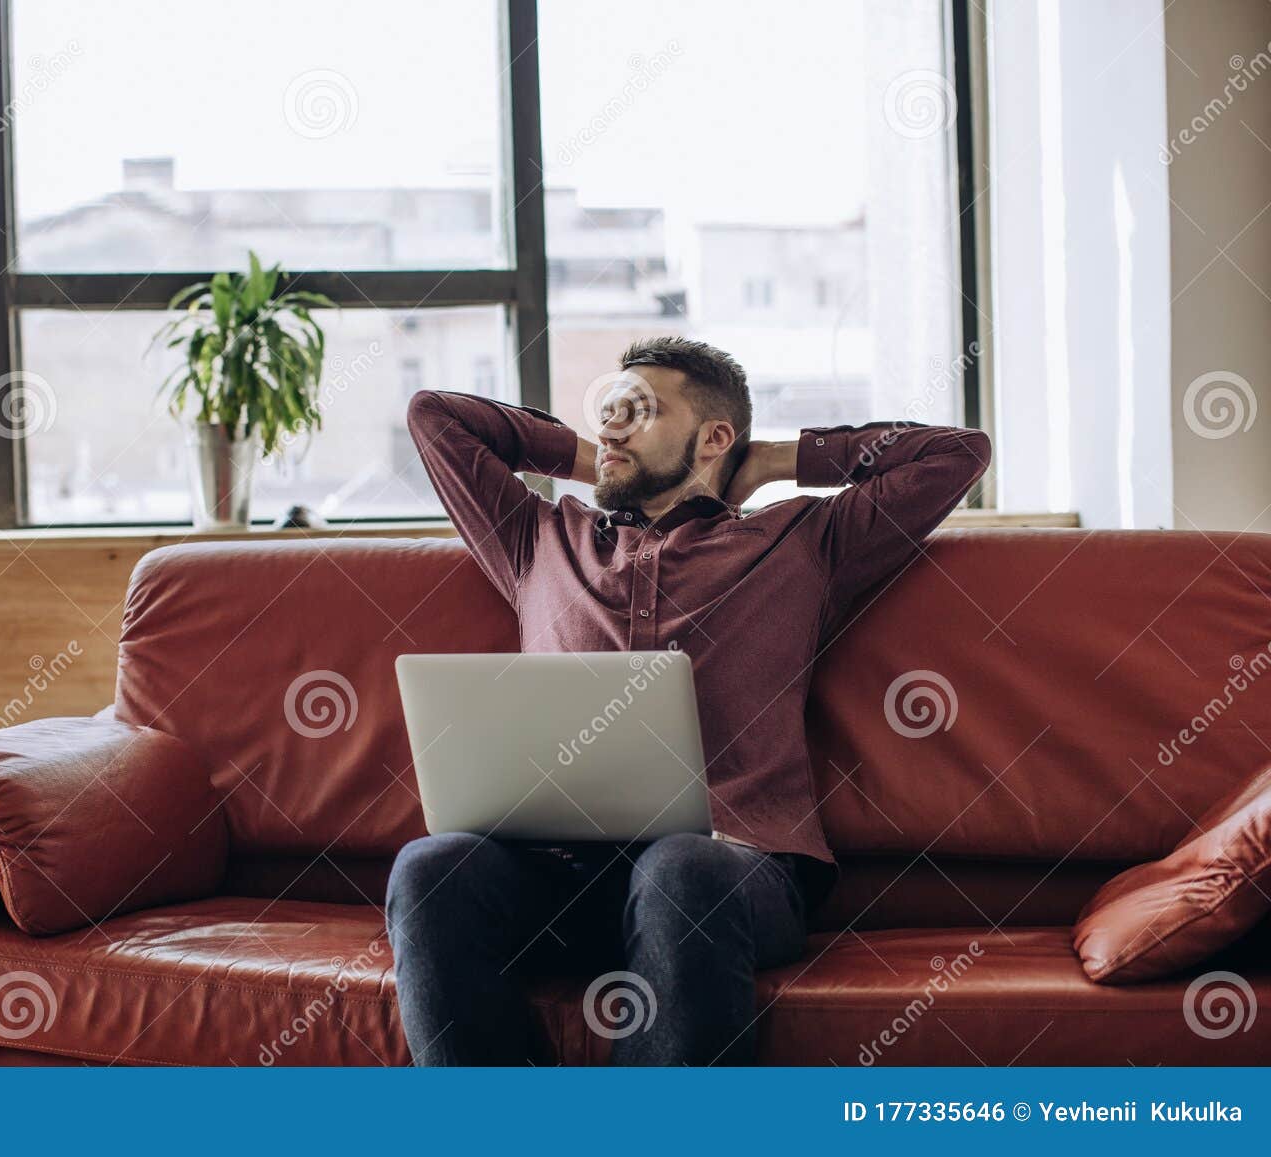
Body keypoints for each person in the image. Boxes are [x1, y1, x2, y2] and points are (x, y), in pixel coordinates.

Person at [385, 335, 991, 1065]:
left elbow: (956, 453)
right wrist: (600, 459)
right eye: (609, 412)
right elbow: (433, 417)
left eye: (637, 412)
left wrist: (770, 460)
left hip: (724, 876)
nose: (611, 426)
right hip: (555, 875)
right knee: (428, 868)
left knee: (680, 866)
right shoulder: (538, 538)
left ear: (713, 436)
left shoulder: (804, 542)